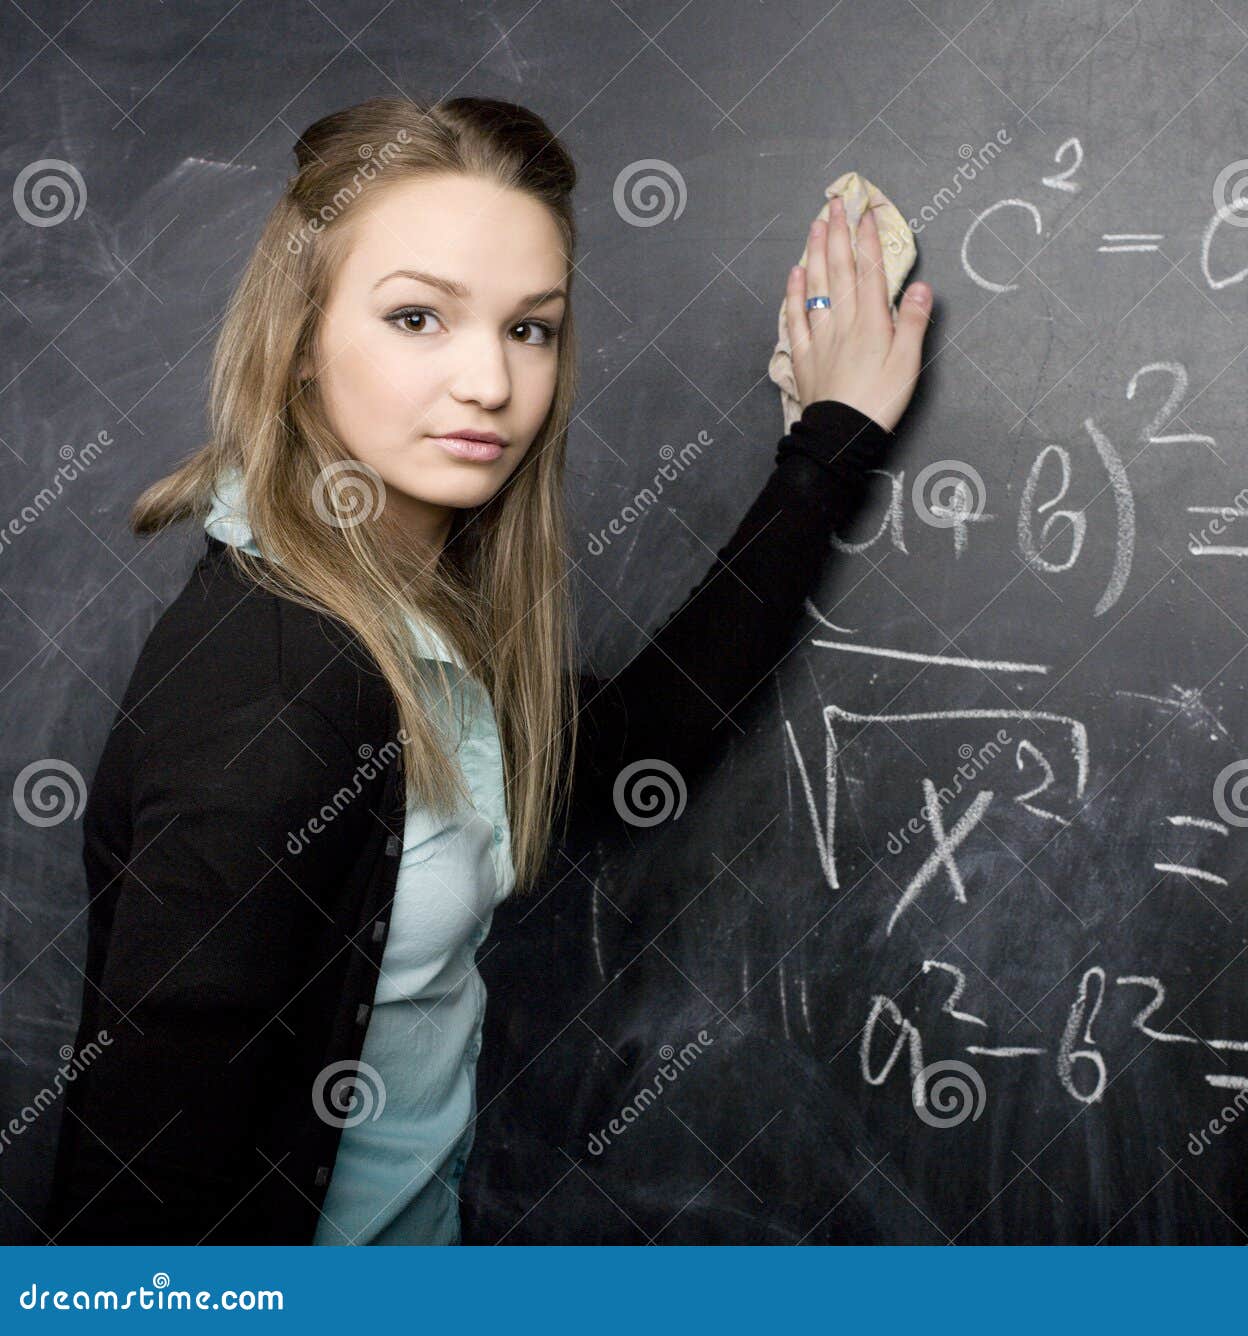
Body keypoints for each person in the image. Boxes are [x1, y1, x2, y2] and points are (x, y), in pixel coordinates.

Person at [42, 94, 931, 1245]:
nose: (489, 384)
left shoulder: (400, 626)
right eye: (418, 317)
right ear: (300, 340)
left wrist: (828, 440)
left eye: (530, 328)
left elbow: (623, 752)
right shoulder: (277, 689)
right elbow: (132, 1220)